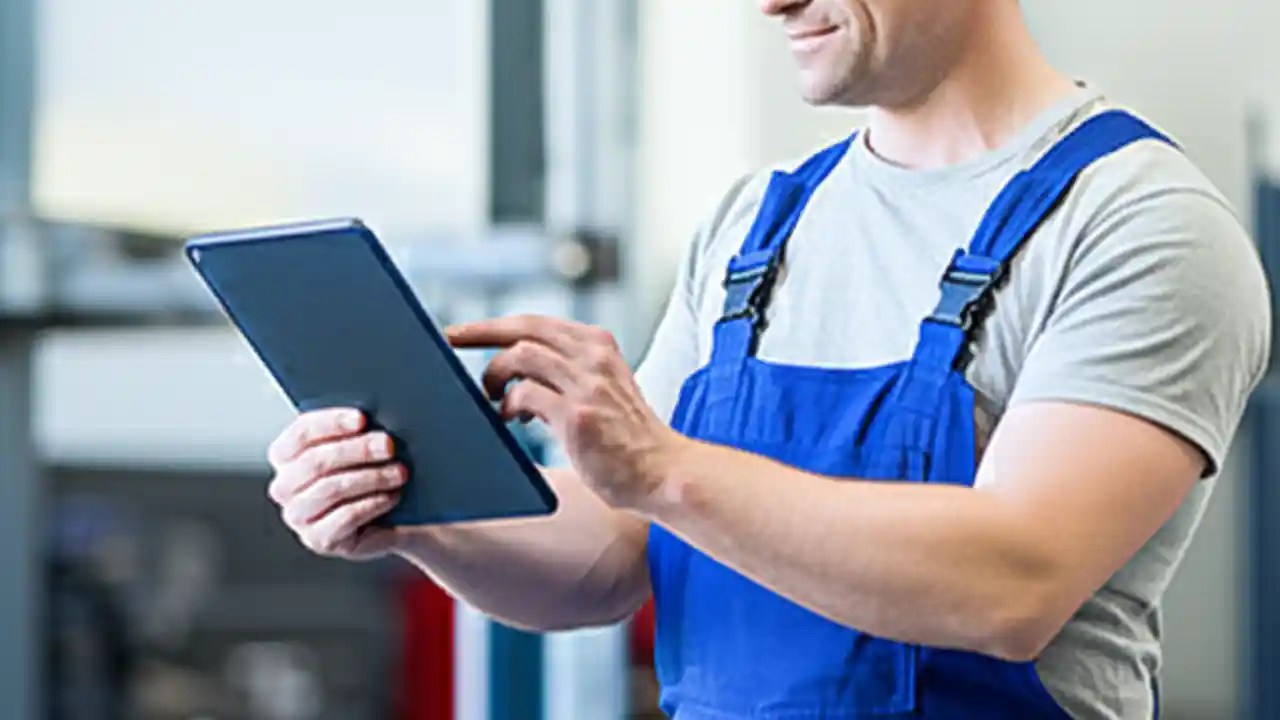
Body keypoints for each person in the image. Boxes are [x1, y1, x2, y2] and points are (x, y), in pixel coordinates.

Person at [264, 0, 1270, 717]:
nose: (771, 3)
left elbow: (1010, 584)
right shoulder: (756, 224)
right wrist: (417, 512)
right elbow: (609, 553)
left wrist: (662, 467)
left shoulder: (1139, 227)